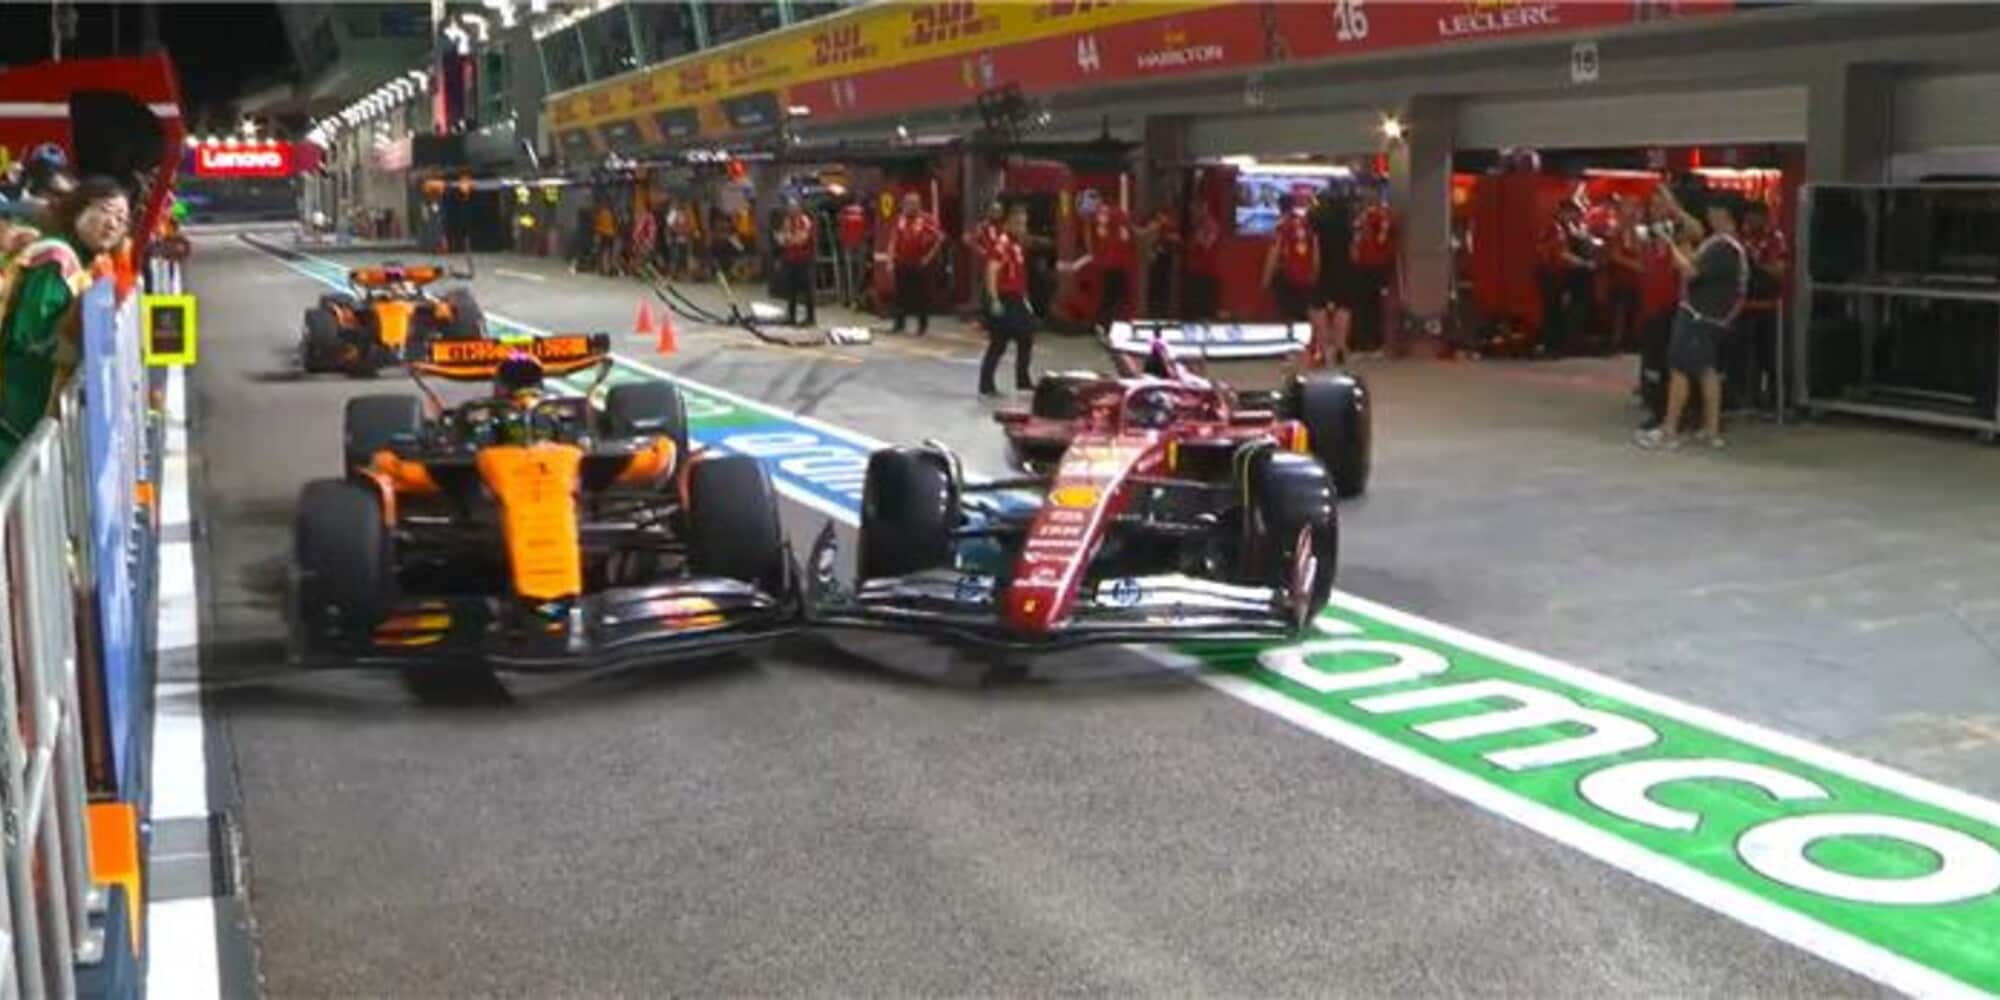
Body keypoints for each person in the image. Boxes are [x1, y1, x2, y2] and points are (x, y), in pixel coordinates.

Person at [0, 176, 127, 467]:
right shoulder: (55, 259)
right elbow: (30, 337)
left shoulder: (82, 264)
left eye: (122, 219)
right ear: (78, 209)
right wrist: (74, 338)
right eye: (106, 210)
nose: (113, 224)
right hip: (15, 407)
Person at [1636, 187, 1748, 451]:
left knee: (1680, 370)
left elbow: (1689, 271)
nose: (1709, 216)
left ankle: (1669, 430)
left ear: (1723, 214)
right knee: (1706, 371)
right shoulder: (1721, 244)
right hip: (1709, 319)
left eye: (1713, 212)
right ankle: (1710, 430)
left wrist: (1671, 243)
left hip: (1700, 319)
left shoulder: (1724, 246)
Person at [979, 206, 1036, 397]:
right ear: (1009, 224)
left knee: (1026, 336)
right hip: (1005, 297)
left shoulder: (1017, 245)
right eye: (1019, 224)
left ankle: (1022, 380)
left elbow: (1019, 275)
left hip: (1017, 297)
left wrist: (1025, 298)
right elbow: (992, 270)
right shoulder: (1002, 243)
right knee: (999, 341)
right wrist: (994, 298)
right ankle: (986, 385)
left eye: (1025, 224)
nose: (1023, 228)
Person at [1738, 200, 1789, 412]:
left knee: (1772, 358)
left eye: (1756, 217)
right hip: (1745, 306)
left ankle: (1776, 402)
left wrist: (1757, 266)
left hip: (1770, 308)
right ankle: (1749, 399)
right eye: (1748, 217)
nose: (1751, 222)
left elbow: (1780, 270)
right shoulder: (1740, 239)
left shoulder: (1775, 238)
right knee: (1747, 358)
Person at [1536, 198, 1595, 356]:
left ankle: (1558, 344)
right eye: (1571, 212)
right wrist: (1583, 263)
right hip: (1551, 275)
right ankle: (1553, 346)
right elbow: (1560, 254)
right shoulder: (1555, 228)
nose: (1574, 216)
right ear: (1563, 212)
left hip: (1559, 275)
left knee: (1558, 310)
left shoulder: (1566, 228)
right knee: (1553, 310)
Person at [1080, 191, 1135, 332]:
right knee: (1116, 294)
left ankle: (1102, 322)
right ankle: (1103, 323)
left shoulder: (1098, 213)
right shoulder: (1118, 213)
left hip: (1105, 259)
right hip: (1117, 260)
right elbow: (1128, 234)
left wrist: (1092, 251)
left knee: (1110, 294)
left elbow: (1088, 229)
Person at [887, 193, 940, 335]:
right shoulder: (900, 219)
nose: (908, 206)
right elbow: (893, 239)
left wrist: (927, 258)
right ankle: (899, 324)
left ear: (918, 205)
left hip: (919, 263)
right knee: (900, 295)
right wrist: (890, 259)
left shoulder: (927, 219)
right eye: (906, 203)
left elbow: (939, 239)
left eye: (912, 203)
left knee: (921, 295)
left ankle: (922, 326)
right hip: (902, 262)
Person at [1351, 191, 1396, 354]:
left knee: (1363, 305)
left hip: (1366, 265)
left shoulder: (1367, 217)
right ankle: (1377, 341)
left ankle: (1366, 341)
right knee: (1376, 305)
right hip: (1382, 265)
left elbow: (1359, 241)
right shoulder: (1387, 216)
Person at [1262, 193, 1318, 323]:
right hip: (1305, 276)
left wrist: (1266, 278)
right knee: (1302, 315)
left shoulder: (1282, 226)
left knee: (1287, 314)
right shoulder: (1307, 225)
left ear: (1279, 208)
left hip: (1287, 276)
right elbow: (1315, 250)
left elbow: (1274, 254)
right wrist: (1314, 273)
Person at [1605, 195, 1645, 351]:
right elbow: (1614, 255)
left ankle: (1631, 340)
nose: (1633, 213)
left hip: (1635, 280)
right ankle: (1616, 342)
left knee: (1632, 310)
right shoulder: (1616, 230)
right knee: (1619, 310)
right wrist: (1635, 265)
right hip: (1619, 278)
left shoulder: (1638, 231)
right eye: (1629, 208)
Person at [777, 197, 817, 327]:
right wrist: (786, 239)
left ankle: (811, 318)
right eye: (789, 208)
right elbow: (783, 238)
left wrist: (788, 239)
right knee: (791, 289)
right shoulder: (788, 221)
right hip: (791, 259)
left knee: (807, 290)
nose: (790, 210)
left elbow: (801, 239)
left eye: (793, 207)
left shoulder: (804, 221)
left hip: (804, 260)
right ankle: (791, 316)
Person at [965, 200, 1005, 323]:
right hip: (987, 264)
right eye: (994, 211)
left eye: (998, 211)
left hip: (1003, 264)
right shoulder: (983, 226)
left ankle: (1001, 318)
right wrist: (981, 251)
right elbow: (970, 240)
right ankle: (988, 319)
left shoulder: (1004, 227)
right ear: (989, 212)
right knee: (988, 292)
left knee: (1002, 291)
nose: (996, 213)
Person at [1182, 200, 1222, 320]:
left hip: (1206, 272)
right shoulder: (1196, 226)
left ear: (1202, 209)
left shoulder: (1211, 225)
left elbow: (1207, 244)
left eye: (1194, 211)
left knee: (1204, 308)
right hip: (1193, 270)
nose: (1192, 214)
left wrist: (1199, 236)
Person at [1140, 200, 1181, 317]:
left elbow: (1176, 239)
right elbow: (1148, 238)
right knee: (1156, 285)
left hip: (1165, 257)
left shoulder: (1169, 225)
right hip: (1157, 258)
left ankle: (1161, 310)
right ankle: (1154, 310)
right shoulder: (1158, 225)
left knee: (1163, 285)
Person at [836, 196, 870, 308]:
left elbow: (841, 229)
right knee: (860, 271)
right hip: (860, 244)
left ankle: (848, 297)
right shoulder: (863, 212)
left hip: (848, 244)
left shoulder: (844, 212)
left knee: (848, 271)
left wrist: (843, 241)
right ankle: (856, 296)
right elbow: (867, 230)